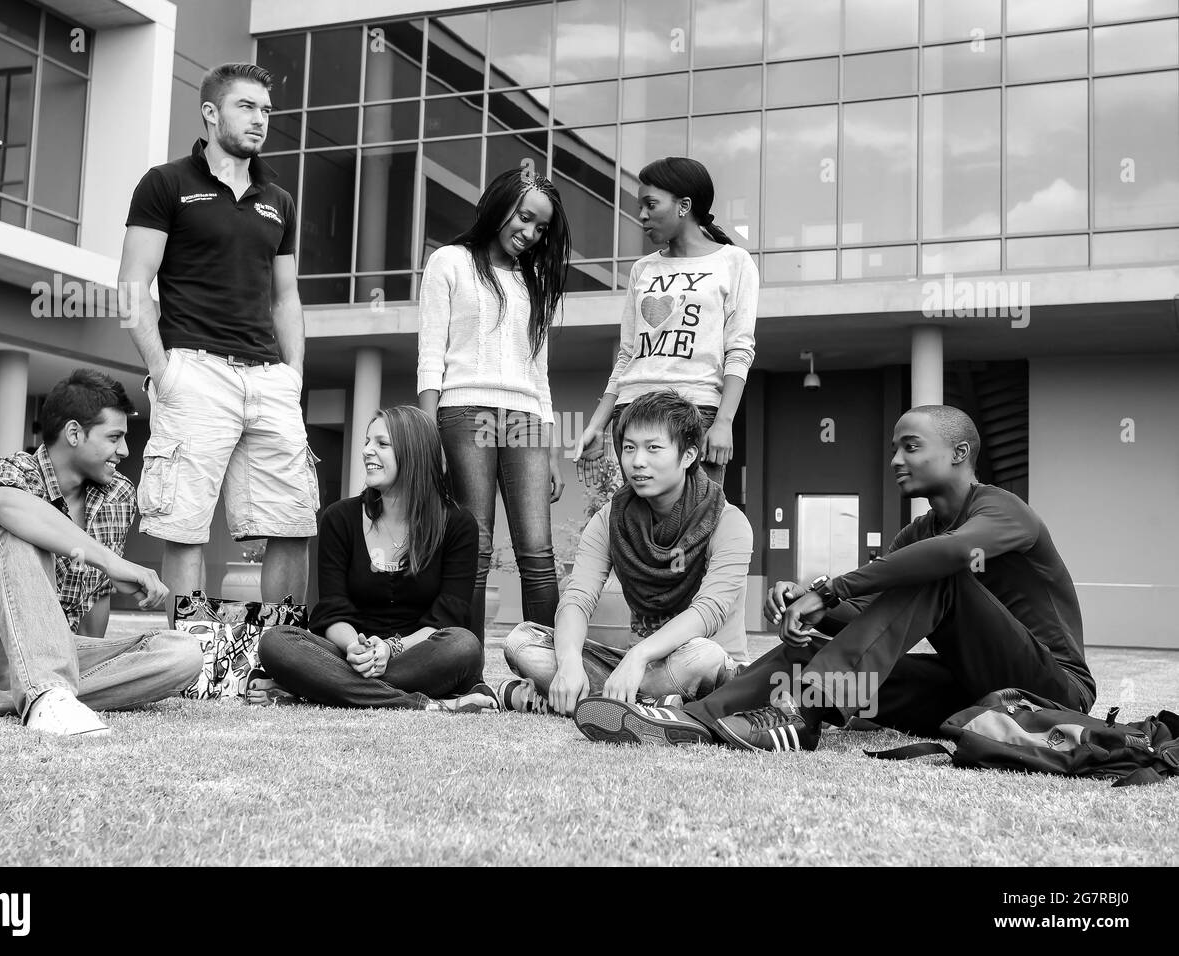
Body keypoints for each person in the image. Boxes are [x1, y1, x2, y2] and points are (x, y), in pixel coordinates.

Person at [573, 405, 1097, 753]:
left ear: (960, 453)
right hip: (967, 690)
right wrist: (809, 603)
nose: (895, 459)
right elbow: (877, 621)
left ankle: (804, 714)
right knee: (813, 648)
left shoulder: (1004, 510)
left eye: (911, 447)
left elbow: (953, 556)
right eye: (894, 447)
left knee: (945, 574)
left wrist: (833, 589)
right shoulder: (919, 531)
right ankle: (694, 719)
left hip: (1051, 693)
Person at [119, 62, 317, 619]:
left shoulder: (278, 199)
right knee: (185, 523)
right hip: (194, 369)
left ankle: (282, 653)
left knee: (292, 521)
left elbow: (286, 298)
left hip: (269, 378)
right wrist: (163, 371)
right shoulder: (166, 183)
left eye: (266, 110)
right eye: (246, 107)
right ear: (210, 113)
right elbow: (133, 283)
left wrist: (293, 373)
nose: (260, 120)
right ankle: (191, 657)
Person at [0, 370, 202, 738]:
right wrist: (110, 561)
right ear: (74, 433)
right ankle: (45, 695)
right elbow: (8, 507)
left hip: (44, 654)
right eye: (114, 437)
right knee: (20, 537)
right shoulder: (5, 470)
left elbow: (94, 602)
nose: (125, 451)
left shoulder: (118, 496)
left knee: (182, 654)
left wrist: (107, 585)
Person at [259, 406, 539, 712]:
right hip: (350, 654)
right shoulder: (339, 518)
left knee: (464, 645)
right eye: (367, 442)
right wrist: (355, 648)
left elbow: (447, 617)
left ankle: (321, 688)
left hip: (419, 655)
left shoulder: (458, 525)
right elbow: (331, 611)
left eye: (381, 444)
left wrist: (391, 649)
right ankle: (426, 704)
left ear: (413, 453)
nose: (367, 451)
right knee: (276, 641)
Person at [503, 391, 752, 716]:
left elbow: (709, 611)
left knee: (704, 657)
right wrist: (568, 662)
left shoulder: (726, 520)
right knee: (521, 641)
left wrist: (639, 656)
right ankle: (647, 702)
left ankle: (585, 698)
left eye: (653, 448)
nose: (637, 461)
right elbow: (577, 598)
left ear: (689, 455)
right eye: (630, 448)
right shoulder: (611, 519)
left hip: (698, 661)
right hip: (635, 667)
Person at [417, 168, 572, 641]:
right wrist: (427, 435)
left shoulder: (534, 282)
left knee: (537, 551)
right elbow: (430, 355)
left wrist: (548, 448)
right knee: (476, 547)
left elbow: (538, 373)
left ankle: (546, 666)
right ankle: (466, 667)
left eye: (541, 228)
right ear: (500, 205)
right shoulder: (449, 261)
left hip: (525, 419)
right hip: (465, 412)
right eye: (525, 218)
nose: (530, 234)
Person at [576, 157, 758, 487]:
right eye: (640, 206)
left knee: (699, 524)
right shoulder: (642, 269)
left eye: (651, 204)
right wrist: (598, 423)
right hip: (633, 409)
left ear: (684, 205)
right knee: (641, 527)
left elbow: (740, 350)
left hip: (697, 408)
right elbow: (627, 354)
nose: (642, 215)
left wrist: (724, 422)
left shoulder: (734, 262)